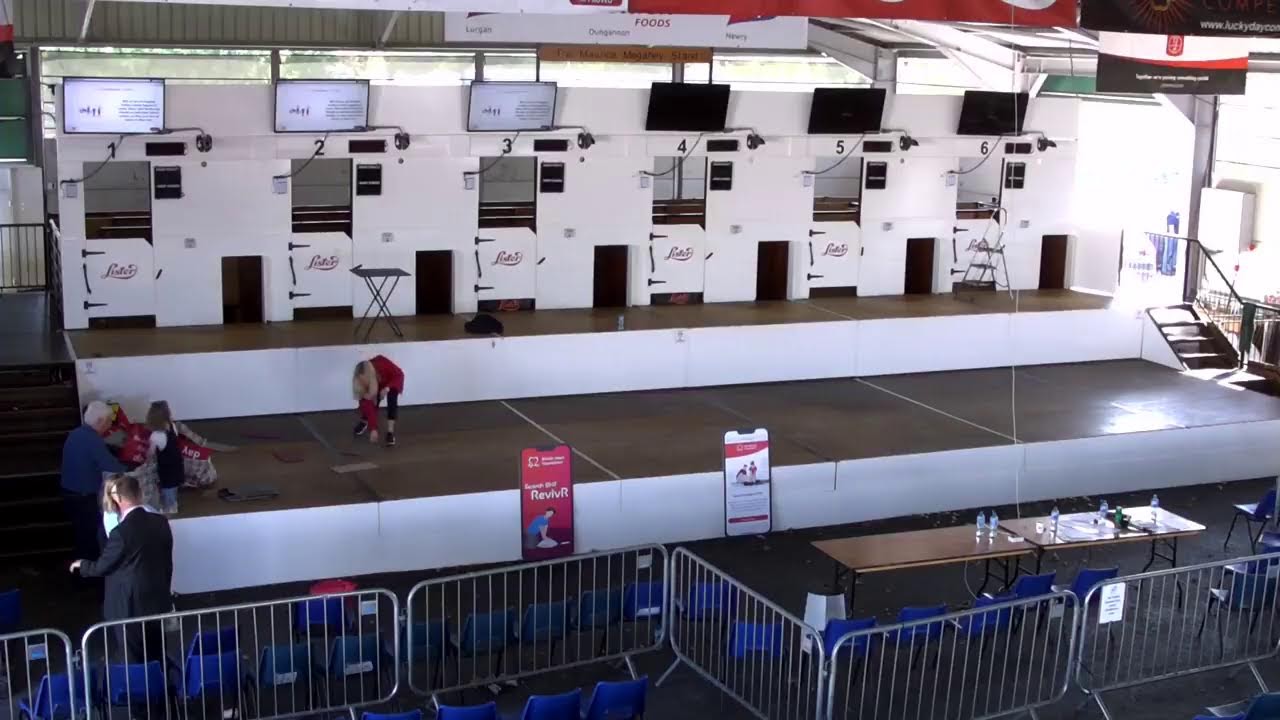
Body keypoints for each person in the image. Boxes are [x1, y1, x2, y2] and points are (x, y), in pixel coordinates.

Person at [71, 473, 173, 663]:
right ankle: (161, 686)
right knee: (157, 651)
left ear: (117, 498)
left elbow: (103, 566)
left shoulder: (121, 533)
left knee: (133, 656)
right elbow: (167, 561)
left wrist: (83, 565)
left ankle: (140, 690)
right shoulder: (161, 522)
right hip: (157, 598)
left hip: (129, 605)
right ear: (140, 493)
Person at [62, 401, 127, 560]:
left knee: (82, 537)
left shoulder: (76, 433)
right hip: (83, 497)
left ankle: (82, 574)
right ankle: (89, 577)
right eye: (108, 420)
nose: (110, 424)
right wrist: (132, 469)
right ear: (99, 421)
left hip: (69, 493)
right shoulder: (93, 440)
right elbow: (112, 466)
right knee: (90, 539)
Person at [352, 355, 403, 447]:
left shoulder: (383, 363)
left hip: (392, 381)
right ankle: (365, 421)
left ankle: (390, 432)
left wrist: (387, 388)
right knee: (369, 402)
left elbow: (400, 375)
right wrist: (373, 429)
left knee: (392, 400)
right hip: (376, 382)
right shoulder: (362, 375)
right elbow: (367, 403)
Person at [145, 401, 183, 515]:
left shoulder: (156, 435)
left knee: (167, 488)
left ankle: (170, 508)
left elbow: (150, 453)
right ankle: (173, 503)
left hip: (166, 467)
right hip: (177, 462)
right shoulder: (172, 426)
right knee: (174, 486)